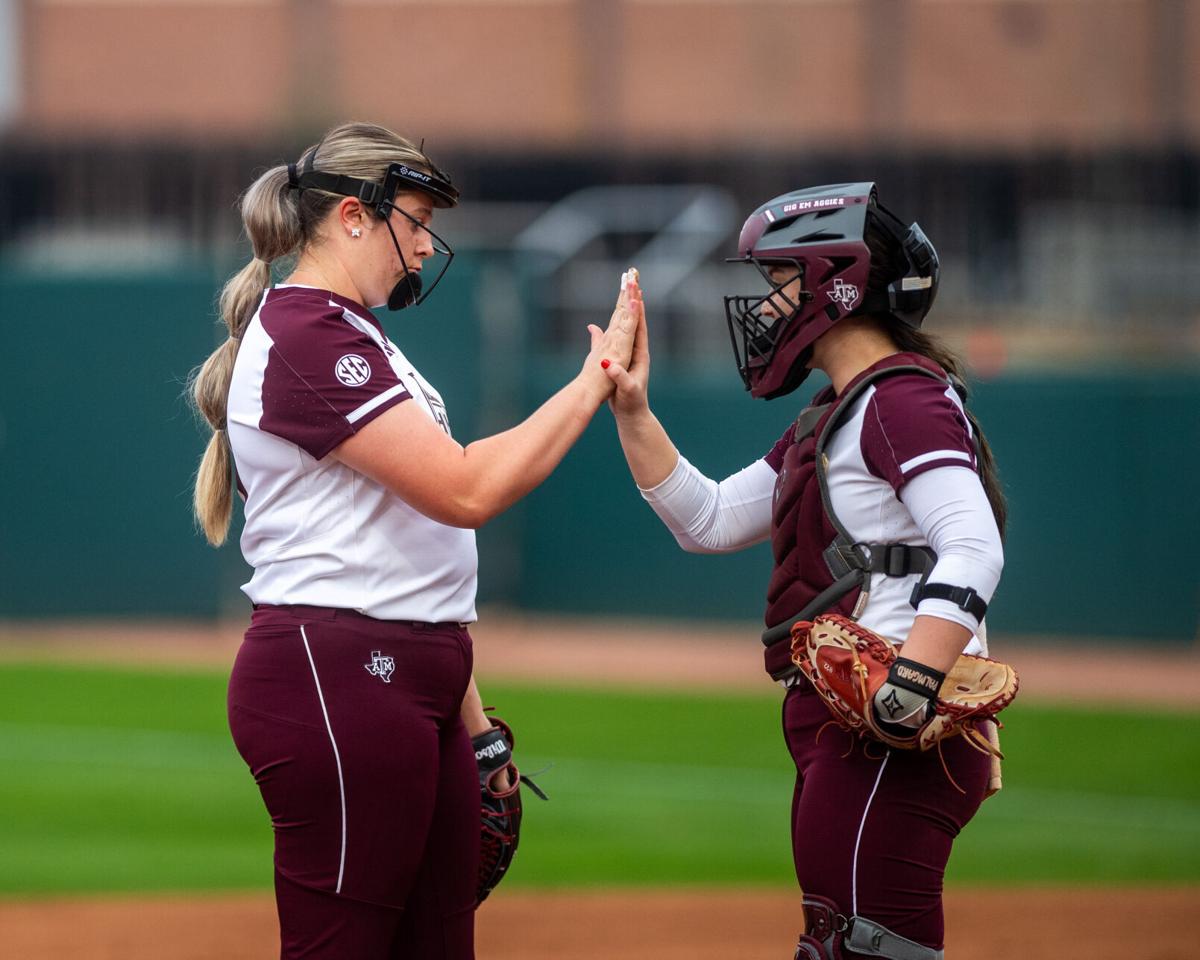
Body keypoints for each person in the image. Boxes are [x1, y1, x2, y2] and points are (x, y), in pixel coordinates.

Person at [189, 120, 640, 960]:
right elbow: (463, 489)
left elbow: (417, 555)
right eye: (416, 217)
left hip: (410, 674)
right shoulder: (305, 334)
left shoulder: (355, 334)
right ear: (353, 217)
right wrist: (595, 382)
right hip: (337, 675)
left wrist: (473, 723)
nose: (428, 245)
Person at [603, 183, 1005, 959]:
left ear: (837, 282)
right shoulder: (835, 411)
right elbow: (710, 520)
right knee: (839, 939)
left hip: (892, 726)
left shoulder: (900, 400)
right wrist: (632, 409)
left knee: (867, 945)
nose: (767, 303)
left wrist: (912, 687)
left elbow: (974, 545)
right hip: (849, 723)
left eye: (780, 280)